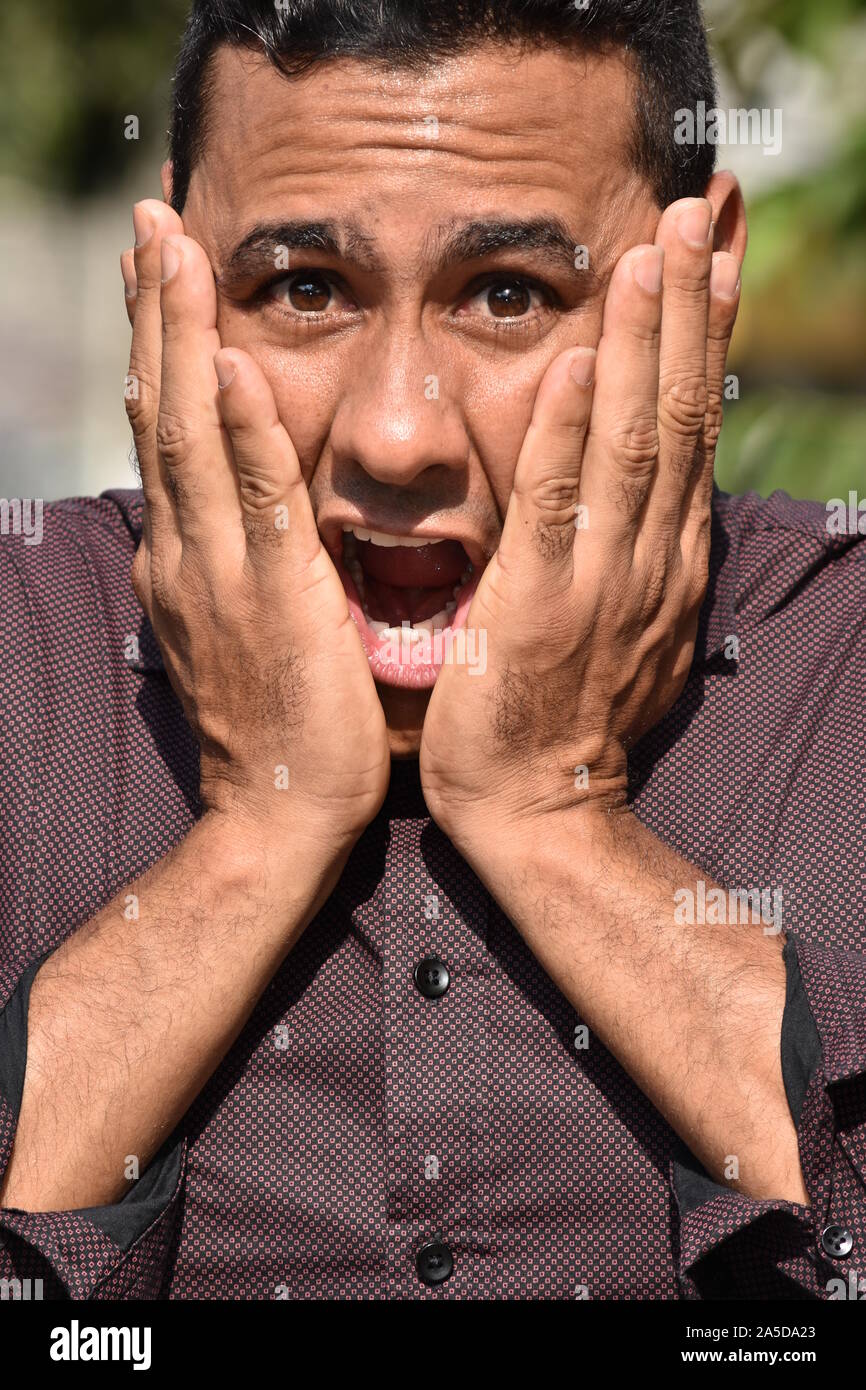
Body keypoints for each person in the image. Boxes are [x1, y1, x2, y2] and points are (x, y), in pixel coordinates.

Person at [1, 0, 863, 1300]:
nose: (396, 437)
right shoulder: (28, 651)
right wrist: (248, 838)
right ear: (171, 268)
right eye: (304, 288)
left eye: (507, 295)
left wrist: (556, 813)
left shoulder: (839, 665)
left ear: (704, 273)